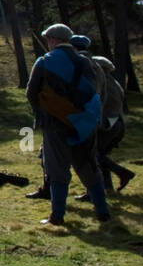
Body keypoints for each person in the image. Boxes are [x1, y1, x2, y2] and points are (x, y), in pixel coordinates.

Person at [25, 24, 108, 226]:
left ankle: (57, 216)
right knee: (89, 166)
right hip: (84, 123)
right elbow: (95, 92)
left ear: (53, 40)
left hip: (54, 124)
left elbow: (31, 92)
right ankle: (103, 212)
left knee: (57, 169)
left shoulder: (44, 62)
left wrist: (44, 112)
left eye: (48, 40)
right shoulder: (87, 63)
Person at [92, 55, 134, 192]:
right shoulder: (114, 83)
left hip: (109, 125)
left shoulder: (104, 84)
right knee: (100, 154)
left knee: (93, 154)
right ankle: (107, 187)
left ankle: (122, 173)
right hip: (117, 124)